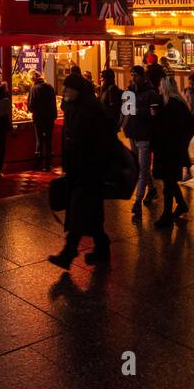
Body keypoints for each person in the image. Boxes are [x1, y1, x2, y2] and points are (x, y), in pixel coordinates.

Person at [47, 73, 114, 268]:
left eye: (68, 88)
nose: (65, 91)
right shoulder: (73, 108)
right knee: (91, 215)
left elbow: (99, 141)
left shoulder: (92, 110)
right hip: (77, 168)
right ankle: (102, 249)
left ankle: (69, 253)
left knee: (78, 211)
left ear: (78, 90)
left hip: (89, 170)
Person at [153, 77, 193, 228]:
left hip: (169, 149)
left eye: (161, 86)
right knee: (169, 180)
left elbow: (166, 128)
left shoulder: (171, 105)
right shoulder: (178, 104)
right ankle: (181, 204)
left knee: (168, 182)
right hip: (173, 149)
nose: (159, 88)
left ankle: (166, 215)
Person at [123, 65, 159, 215]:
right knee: (140, 166)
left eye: (135, 75)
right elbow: (125, 110)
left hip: (144, 134)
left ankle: (137, 201)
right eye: (131, 75)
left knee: (142, 169)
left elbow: (154, 114)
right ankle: (152, 188)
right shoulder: (130, 91)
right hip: (133, 132)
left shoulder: (151, 93)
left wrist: (138, 111)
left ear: (142, 76)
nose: (133, 78)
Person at [27, 70, 57, 172]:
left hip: (39, 118)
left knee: (39, 140)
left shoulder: (34, 89)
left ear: (32, 79)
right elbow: (54, 103)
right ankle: (48, 164)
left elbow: (30, 106)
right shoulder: (50, 87)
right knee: (48, 140)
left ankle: (38, 163)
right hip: (50, 117)